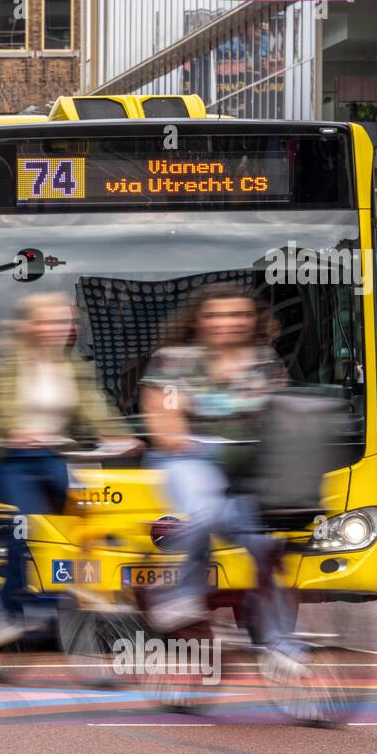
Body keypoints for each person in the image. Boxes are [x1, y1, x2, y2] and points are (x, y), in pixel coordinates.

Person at [0, 294, 134, 647]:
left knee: (96, 512)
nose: (57, 329)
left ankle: (87, 582)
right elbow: (0, 403)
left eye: (62, 323)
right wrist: (19, 430)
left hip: (51, 454)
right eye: (49, 322)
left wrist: (118, 434)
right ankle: (1, 611)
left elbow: (94, 405)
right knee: (22, 526)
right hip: (10, 458)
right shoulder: (11, 362)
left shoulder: (72, 365)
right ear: (32, 326)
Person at [141, 283, 303, 678]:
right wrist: (181, 434)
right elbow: (164, 418)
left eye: (237, 315)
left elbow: (281, 417)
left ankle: (277, 643)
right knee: (206, 509)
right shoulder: (175, 361)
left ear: (252, 320)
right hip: (188, 457)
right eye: (216, 315)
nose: (227, 323)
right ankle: (176, 597)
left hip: (247, 468)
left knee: (266, 544)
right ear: (199, 320)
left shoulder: (264, 362)